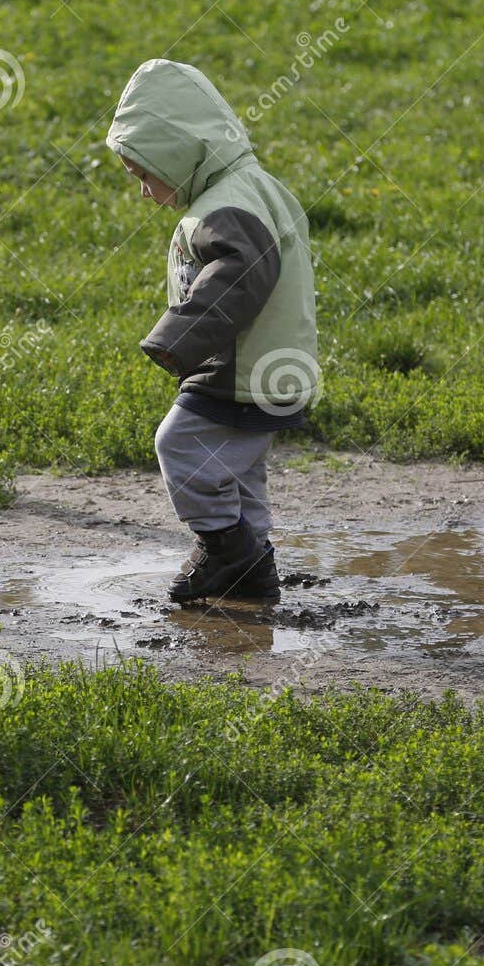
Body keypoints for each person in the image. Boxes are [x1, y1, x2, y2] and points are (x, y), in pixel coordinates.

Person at [106, 58, 319, 605]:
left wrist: (178, 337)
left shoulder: (226, 206)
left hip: (238, 371)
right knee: (238, 474)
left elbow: (244, 272)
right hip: (268, 369)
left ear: (178, 150)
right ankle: (253, 572)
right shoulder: (247, 189)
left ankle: (226, 548)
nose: (145, 191)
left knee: (179, 448)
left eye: (144, 174)